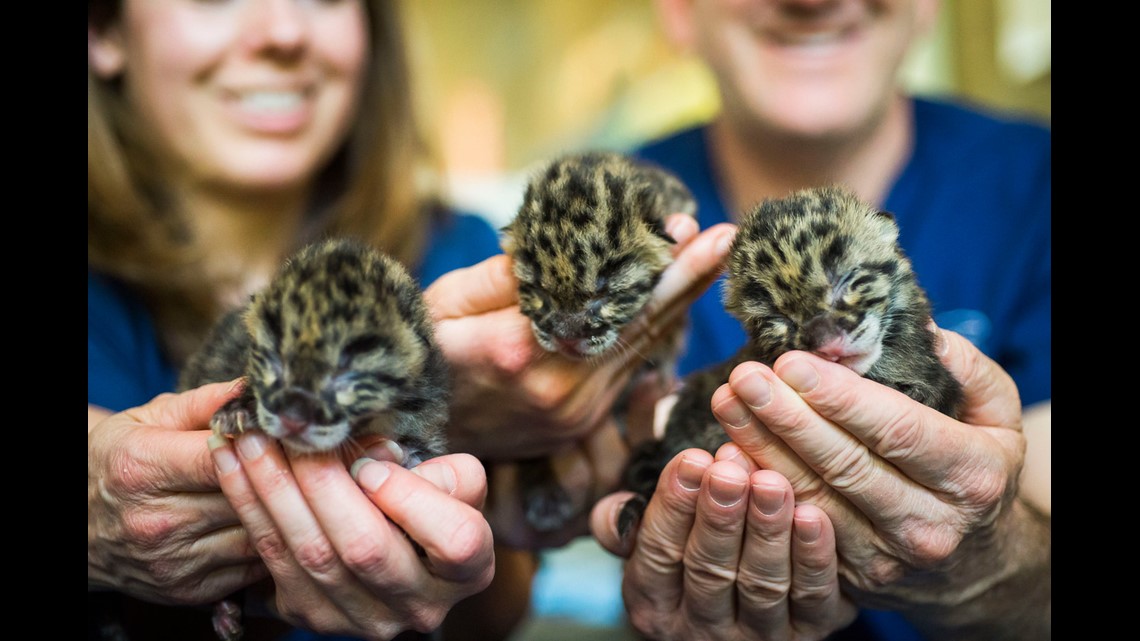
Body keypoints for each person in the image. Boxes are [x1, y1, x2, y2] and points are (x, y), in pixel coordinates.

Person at [87, 0, 730, 639]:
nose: (282, 32)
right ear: (103, 30)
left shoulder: (460, 252)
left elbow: (489, 609)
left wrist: (489, 498)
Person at [587, 0, 1051, 639]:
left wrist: (1005, 567)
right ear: (677, 10)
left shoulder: (1034, 185)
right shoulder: (603, 221)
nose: (812, 2)